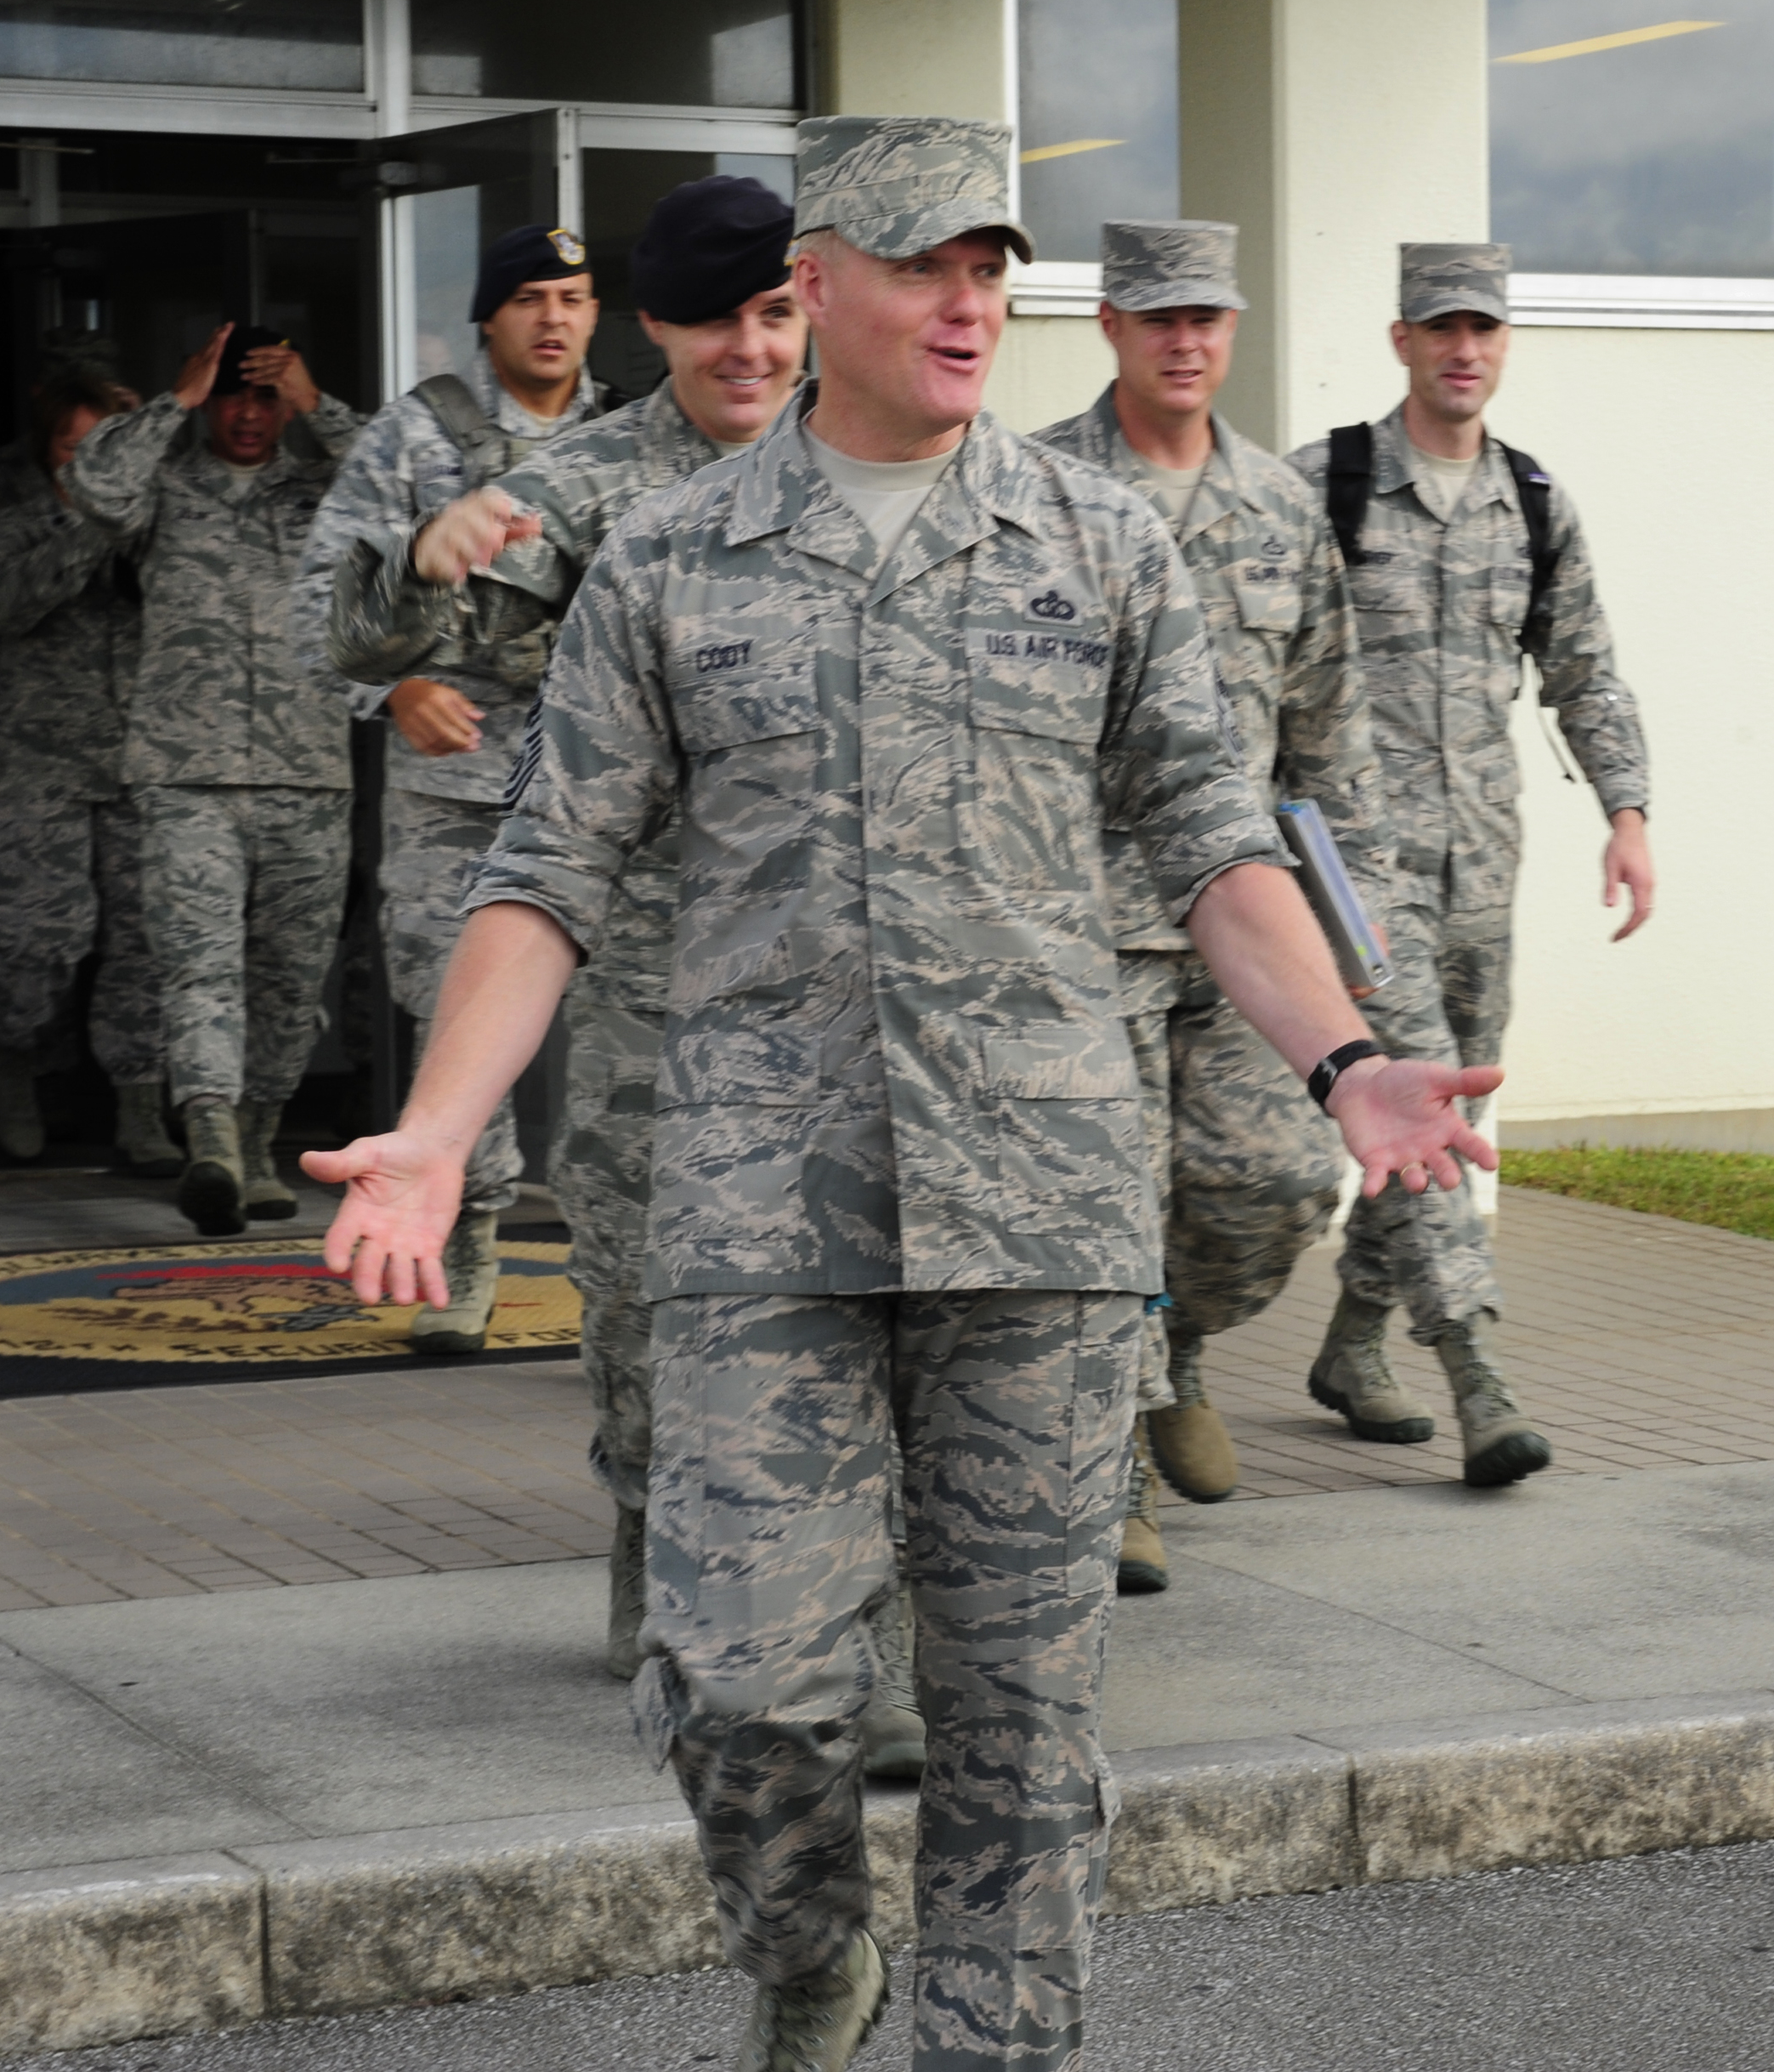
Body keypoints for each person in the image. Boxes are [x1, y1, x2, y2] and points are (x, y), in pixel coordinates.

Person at [304, 116, 1500, 2072]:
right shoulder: (671, 555)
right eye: (931, 264)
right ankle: (800, 1936)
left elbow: (1216, 842)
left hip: (1036, 1207)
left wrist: (1347, 1054)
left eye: (991, 266)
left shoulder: (1096, 540)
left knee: (1019, 1725)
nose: (974, 301)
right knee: (739, 1681)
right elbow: (548, 871)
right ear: (821, 282)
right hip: (760, 1208)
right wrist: (440, 1131)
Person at [334, 176, 813, 1694]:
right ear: (656, 326)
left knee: (832, 1312)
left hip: (832, 979)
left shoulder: (863, 473)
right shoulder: (592, 491)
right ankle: (648, 1537)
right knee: (638, 1291)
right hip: (645, 984)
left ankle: (839, 1630)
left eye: (776, 314)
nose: (749, 350)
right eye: (712, 320)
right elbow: (372, 648)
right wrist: (424, 559)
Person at [1033, 218, 1384, 1592]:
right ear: (1110, 327)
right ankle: (1112, 1452)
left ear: (1231, 332)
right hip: (1079, 923)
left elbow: (1327, 742)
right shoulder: (1037, 487)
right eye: (1158, 318)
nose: (1186, 343)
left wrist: (1359, 951)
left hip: (1246, 928)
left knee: (1275, 1183)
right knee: (1098, 1206)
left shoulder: (1281, 508)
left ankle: (1177, 1344)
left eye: (1207, 321)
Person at [1286, 243, 1654, 1488]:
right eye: (1440, 329)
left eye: (1483, 331)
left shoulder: (1536, 503)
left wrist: (1628, 810)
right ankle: (1476, 1373)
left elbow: (1584, 670)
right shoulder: (1323, 487)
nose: (1463, 350)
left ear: (1503, 346)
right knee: (1430, 1107)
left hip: (1483, 863)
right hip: (1351, 868)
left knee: (1449, 1113)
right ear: (1399, 341)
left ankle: (1349, 1345)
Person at [299, 224, 609, 1348]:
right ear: (489, 316)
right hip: (459, 797)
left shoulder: (636, 435)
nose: (554, 318)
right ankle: (468, 1229)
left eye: (572, 296)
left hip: (604, 794)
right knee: (456, 1022)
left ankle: (630, 1276)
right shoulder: (419, 435)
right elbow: (316, 609)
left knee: (629, 1042)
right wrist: (394, 694)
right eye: (530, 296)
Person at [64, 326, 362, 1236]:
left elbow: (422, 491)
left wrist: (319, 404)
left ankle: (259, 1135)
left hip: (307, 775)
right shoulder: (163, 488)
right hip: (184, 777)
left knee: (284, 978)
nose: (247, 412)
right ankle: (212, 1147)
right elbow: (92, 484)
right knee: (199, 971)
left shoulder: (326, 492)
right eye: (234, 394)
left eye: (264, 396)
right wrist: (173, 403)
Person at [0, 370, 173, 1174]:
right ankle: (11, 1059)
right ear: (49, 450)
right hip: (38, 762)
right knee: (42, 937)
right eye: (75, 446)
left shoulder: (161, 521)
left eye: (108, 446)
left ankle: (140, 1103)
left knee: (146, 941)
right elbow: (1, 603)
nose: (90, 461)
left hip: (142, 761)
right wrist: (88, 523)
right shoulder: (15, 516)